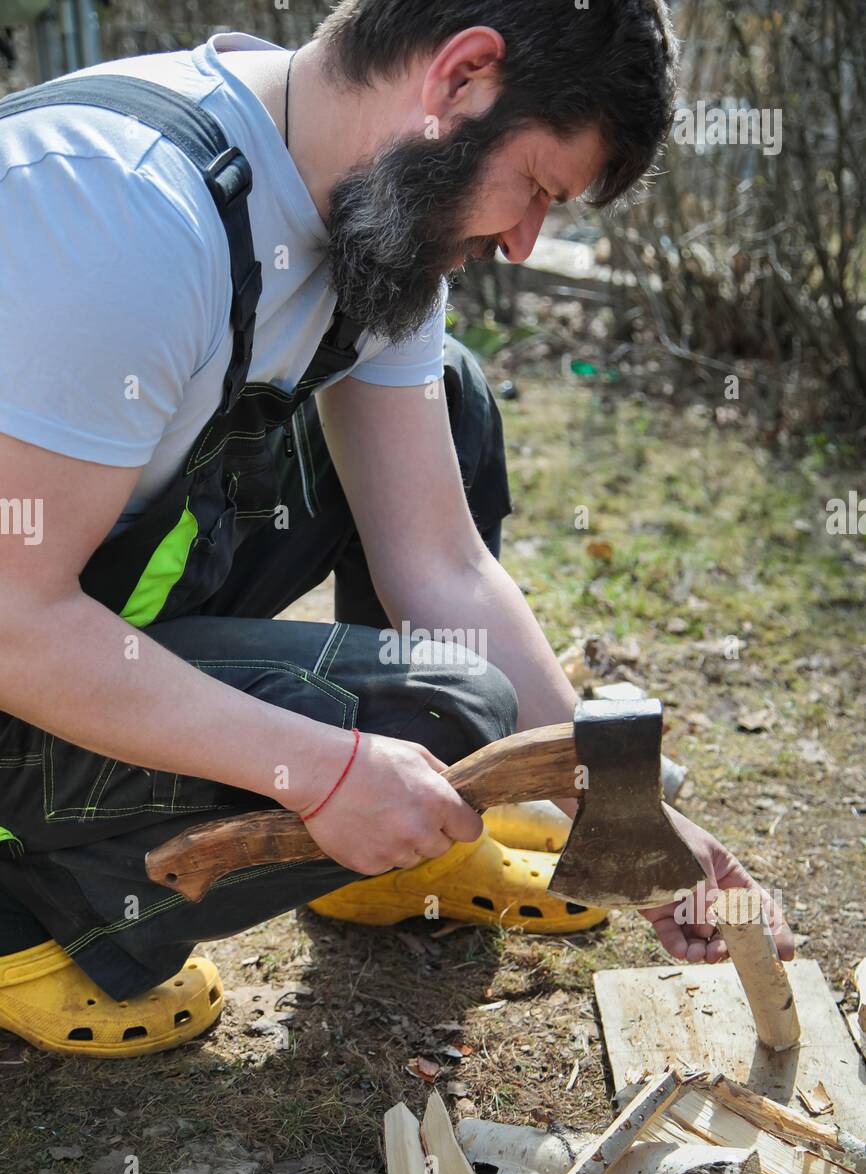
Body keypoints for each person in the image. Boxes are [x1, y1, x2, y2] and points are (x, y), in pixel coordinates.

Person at [0, 0, 792, 1057]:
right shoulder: (121, 213)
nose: (520, 241)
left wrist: (619, 815)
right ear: (460, 77)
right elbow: (12, 615)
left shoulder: (366, 215)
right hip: (22, 630)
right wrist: (320, 770)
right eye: (537, 189)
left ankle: (398, 855)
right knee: (441, 713)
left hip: (82, 584)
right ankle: (27, 911)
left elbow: (441, 563)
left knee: (448, 397)